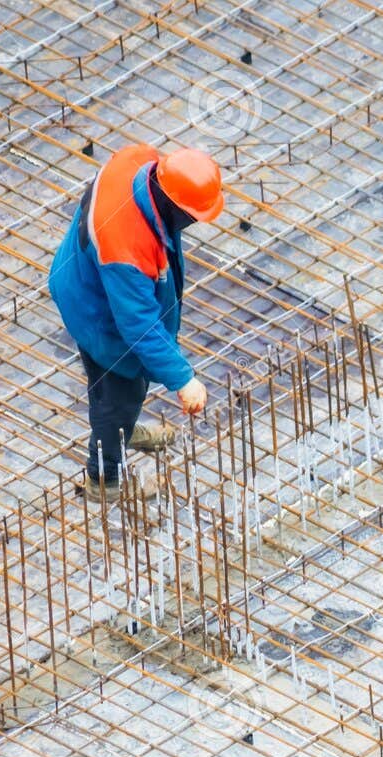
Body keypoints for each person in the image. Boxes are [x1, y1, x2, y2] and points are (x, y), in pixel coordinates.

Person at [48, 144, 224, 503]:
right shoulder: (124, 246)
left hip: (89, 279)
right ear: (173, 205)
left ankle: (123, 431)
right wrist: (183, 379)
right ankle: (105, 480)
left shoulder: (139, 160)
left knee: (128, 388)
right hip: (96, 312)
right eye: (192, 216)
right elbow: (139, 326)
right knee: (115, 397)